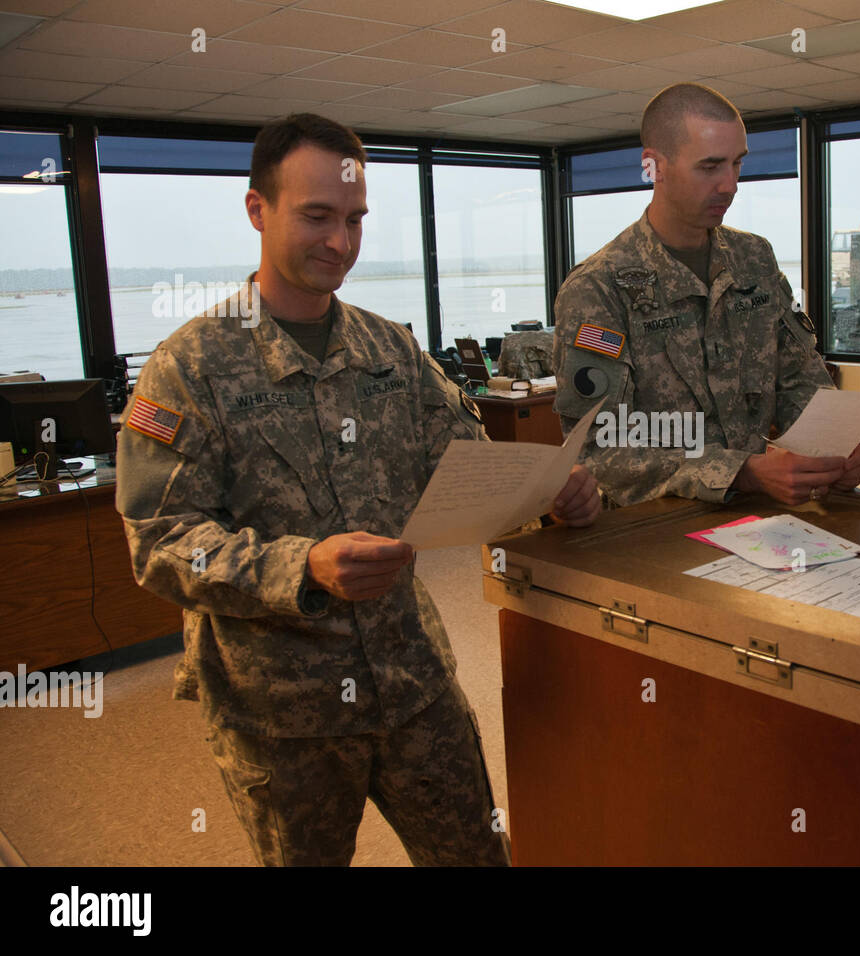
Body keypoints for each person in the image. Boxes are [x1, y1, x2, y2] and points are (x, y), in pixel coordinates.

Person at [114, 113, 600, 867]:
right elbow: (162, 544)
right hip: (281, 712)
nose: (340, 242)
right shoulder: (189, 369)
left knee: (479, 856)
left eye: (354, 219)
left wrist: (547, 489)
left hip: (411, 679)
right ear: (258, 210)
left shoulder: (389, 348)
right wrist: (300, 567)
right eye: (316, 216)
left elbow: (465, 462)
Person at [553, 82, 860, 508]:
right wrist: (743, 473)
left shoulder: (754, 259)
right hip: (654, 531)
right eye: (710, 167)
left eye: (737, 164)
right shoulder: (599, 287)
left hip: (759, 521)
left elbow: (800, 379)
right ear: (655, 167)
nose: (730, 185)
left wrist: (835, 449)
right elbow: (600, 448)